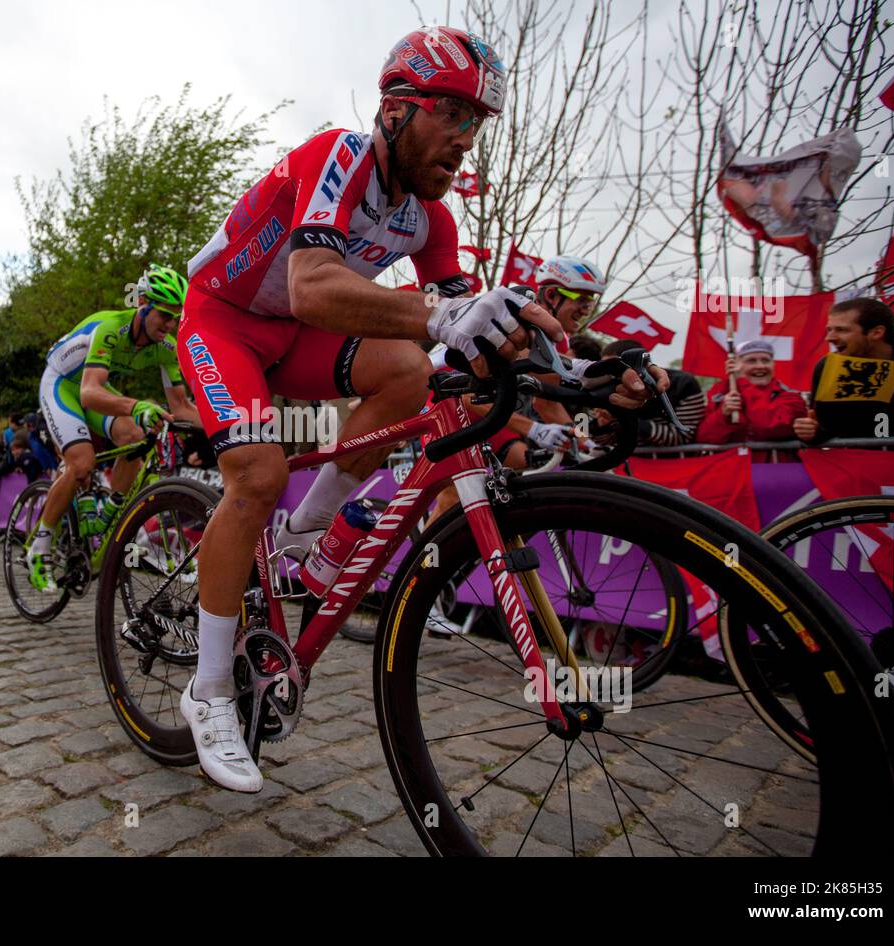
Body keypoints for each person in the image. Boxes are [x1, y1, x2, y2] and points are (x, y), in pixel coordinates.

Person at [175, 27, 666, 792]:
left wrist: (587, 369)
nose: (466, 139)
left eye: (477, 124)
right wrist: (441, 317)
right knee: (260, 475)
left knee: (407, 369)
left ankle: (306, 540)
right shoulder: (339, 155)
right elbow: (312, 287)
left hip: (298, 336)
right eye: (453, 114)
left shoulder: (431, 218)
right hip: (225, 320)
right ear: (398, 108)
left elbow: (478, 326)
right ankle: (206, 691)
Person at [27, 265, 201, 591]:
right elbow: (89, 392)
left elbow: (181, 407)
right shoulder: (111, 328)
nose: (170, 324)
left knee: (136, 437)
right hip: (63, 385)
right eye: (164, 315)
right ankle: (40, 547)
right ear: (142, 304)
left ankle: (110, 513)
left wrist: (228, 427)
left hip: (90, 390)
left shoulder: (166, 347)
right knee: (81, 464)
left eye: (175, 317)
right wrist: (136, 406)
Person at [792, 297, 894, 448]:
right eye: (829, 330)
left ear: (877, 333)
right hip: (862, 466)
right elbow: (829, 431)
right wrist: (810, 432)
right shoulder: (827, 367)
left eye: (841, 330)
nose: (829, 338)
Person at [695, 338, 806, 447]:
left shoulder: (790, 395)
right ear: (735, 365)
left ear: (773, 364)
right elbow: (705, 438)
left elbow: (769, 427)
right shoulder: (720, 392)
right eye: (751, 361)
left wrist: (743, 382)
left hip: (777, 465)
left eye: (766, 360)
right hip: (732, 464)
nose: (760, 366)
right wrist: (723, 414)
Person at [601, 339, 704, 448]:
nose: (609, 377)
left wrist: (628, 419)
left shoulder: (683, 385)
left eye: (614, 370)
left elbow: (682, 436)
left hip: (675, 462)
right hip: (631, 462)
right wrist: (602, 424)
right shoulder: (608, 390)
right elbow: (604, 443)